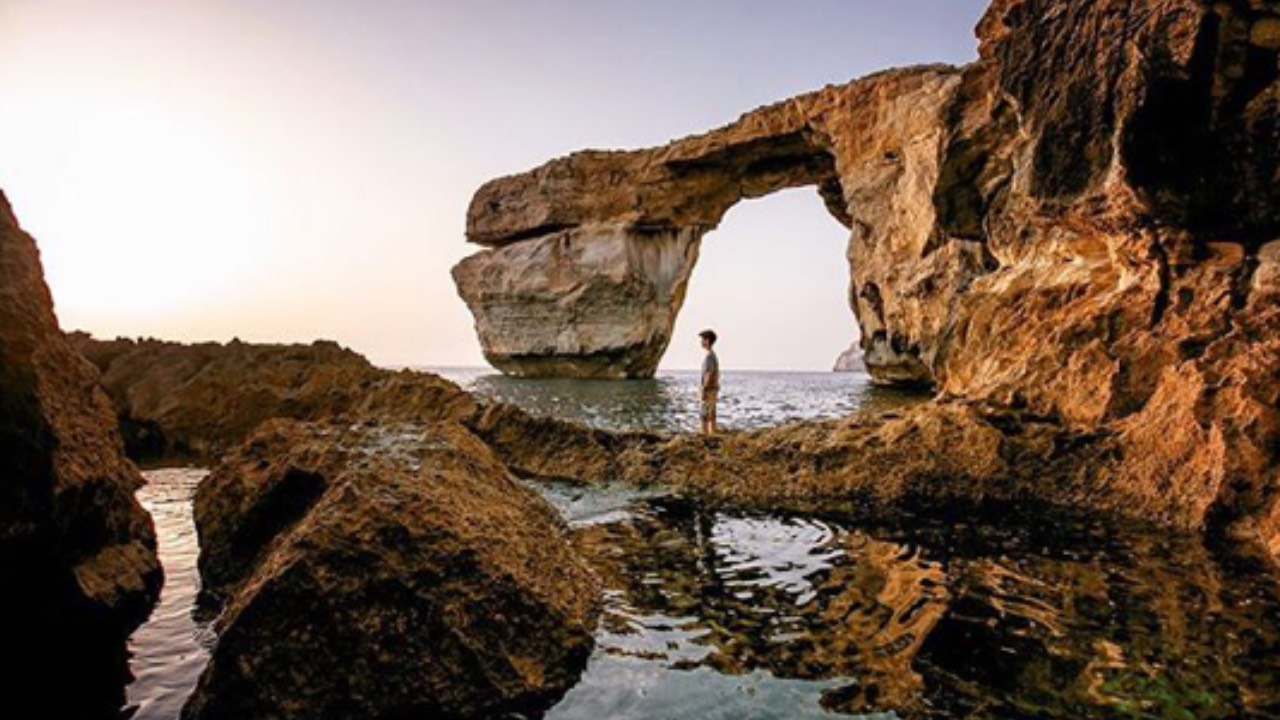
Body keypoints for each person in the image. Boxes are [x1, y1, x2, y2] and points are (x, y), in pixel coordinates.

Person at [699, 329, 720, 435]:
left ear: (707, 340)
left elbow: (709, 373)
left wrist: (704, 389)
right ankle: (712, 433)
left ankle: (705, 434)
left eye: (703, 339)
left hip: (709, 389)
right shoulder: (712, 355)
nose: (701, 342)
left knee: (705, 413)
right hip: (713, 388)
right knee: (711, 412)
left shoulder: (709, 356)